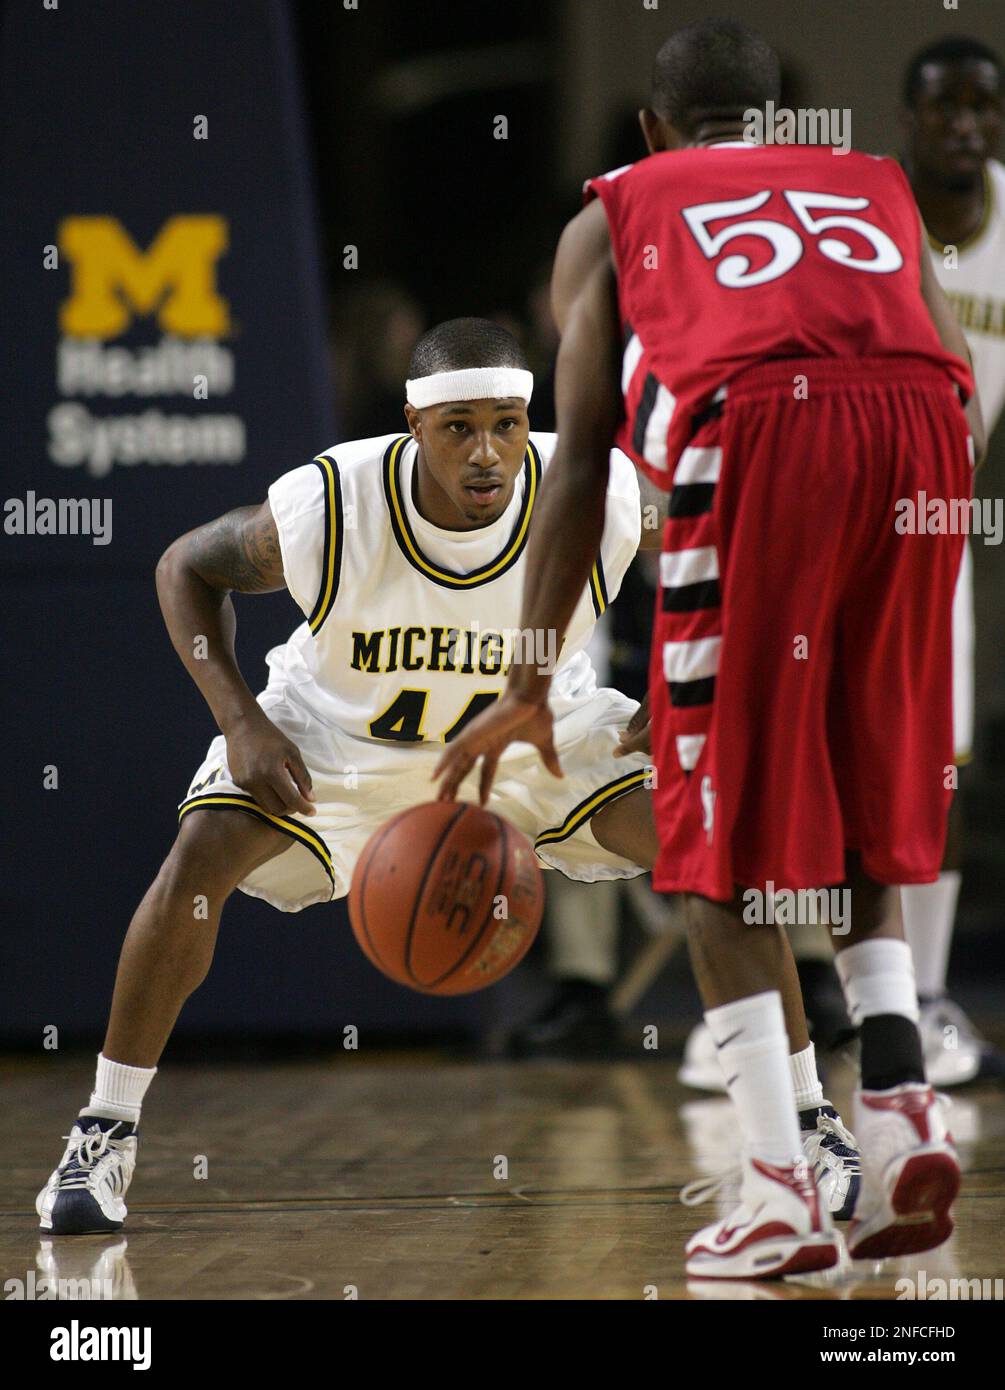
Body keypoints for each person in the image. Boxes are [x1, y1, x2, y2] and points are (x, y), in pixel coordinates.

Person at [37, 316, 859, 1237]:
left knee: (711, 860)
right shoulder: (335, 502)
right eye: (458, 427)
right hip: (344, 743)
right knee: (198, 859)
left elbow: (740, 549)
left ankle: (807, 1124)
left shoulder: (594, 490)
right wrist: (241, 721)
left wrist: (691, 686)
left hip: (538, 740)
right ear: (412, 426)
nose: (486, 453)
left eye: (506, 425)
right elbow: (184, 565)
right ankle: (102, 1135)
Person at [435, 20, 984, 1277]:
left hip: (759, 436)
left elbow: (577, 459)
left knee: (711, 832)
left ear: (653, 132)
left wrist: (528, 680)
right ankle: (901, 1117)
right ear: (779, 123)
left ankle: (782, 1190)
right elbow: (950, 359)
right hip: (922, 437)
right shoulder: (872, 181)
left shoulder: (617, 211)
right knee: (854, 799)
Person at [899, 35, 1005, 1085]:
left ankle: (924, 1002)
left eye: (984, 107)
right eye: (946, 108)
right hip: (839, 503)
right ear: (908, 119)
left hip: (936, 522)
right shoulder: (871, 215)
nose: (967, 124)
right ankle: (779, 1000)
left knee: (943, 763)